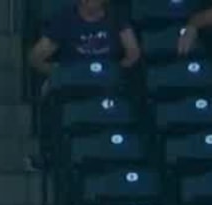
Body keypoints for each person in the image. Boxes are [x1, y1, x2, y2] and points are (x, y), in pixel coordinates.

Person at [26, 0, 142, 171]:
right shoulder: (65, 19)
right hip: (73, 86)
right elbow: (35, 57)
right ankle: (50, 156)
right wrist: (57, 74)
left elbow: (133, 52)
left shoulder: (116, 16)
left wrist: (117, 71)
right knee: (50, 97)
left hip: (107, 85)